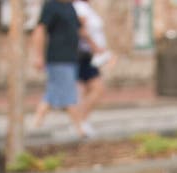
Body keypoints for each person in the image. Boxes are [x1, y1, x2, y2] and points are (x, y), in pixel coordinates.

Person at [31, 0, 87, 138]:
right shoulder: (51, 6)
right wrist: (38, 56)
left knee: (52, 94)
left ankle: (36, 124)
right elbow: (40, 30)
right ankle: (80, 129)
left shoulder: (71, 7)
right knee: (69, 94)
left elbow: (80, 30)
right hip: (58, 58)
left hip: (72, 58)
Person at [73, 0, 115, 136]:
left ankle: (82, 123)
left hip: (88, 55)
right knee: (98, 88)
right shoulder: (80, 7)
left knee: (86, 90)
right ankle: (79, 121)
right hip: (84, 55)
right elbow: (81, 30)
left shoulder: (86, 7)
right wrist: (96, 48)